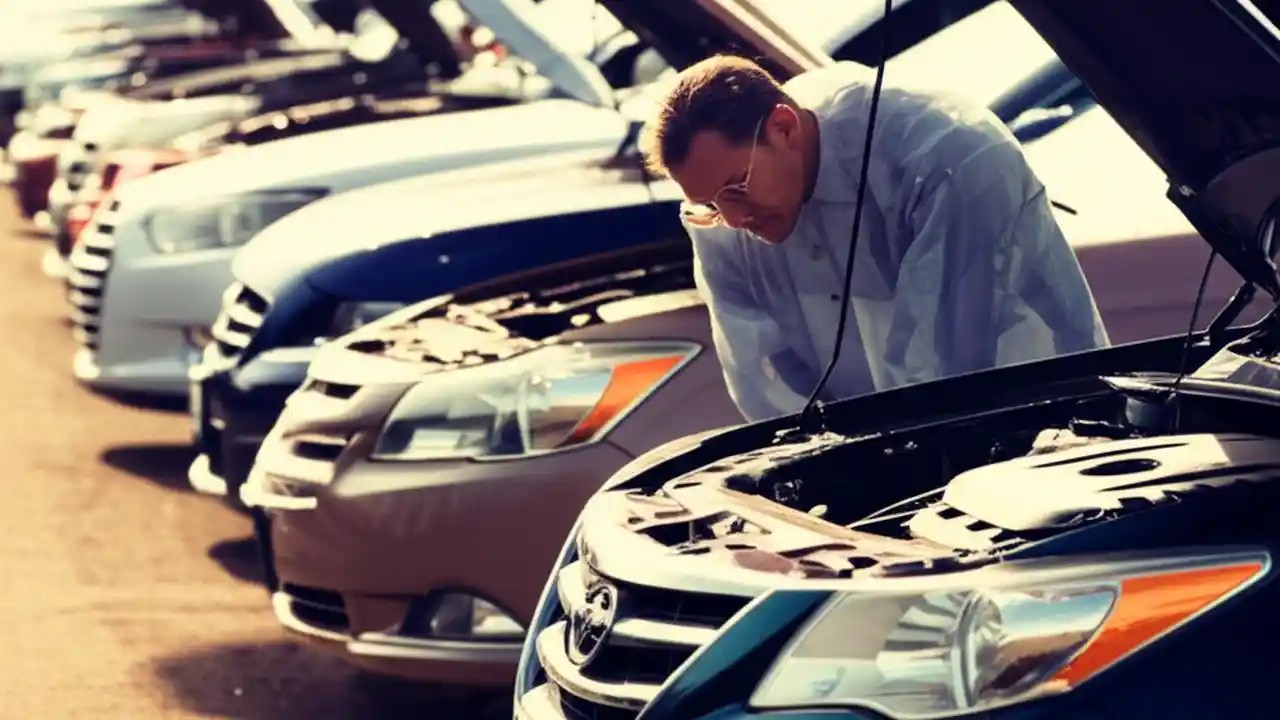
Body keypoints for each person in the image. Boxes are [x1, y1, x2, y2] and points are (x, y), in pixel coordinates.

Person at [640, 55, 1109, 422]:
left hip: (1044, 430)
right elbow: (764, 384)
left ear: (784, 128)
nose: (735, 219)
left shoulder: (943, 155)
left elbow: (951, 376)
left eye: (736, 190)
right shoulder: (723, 215)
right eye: (711, 205)